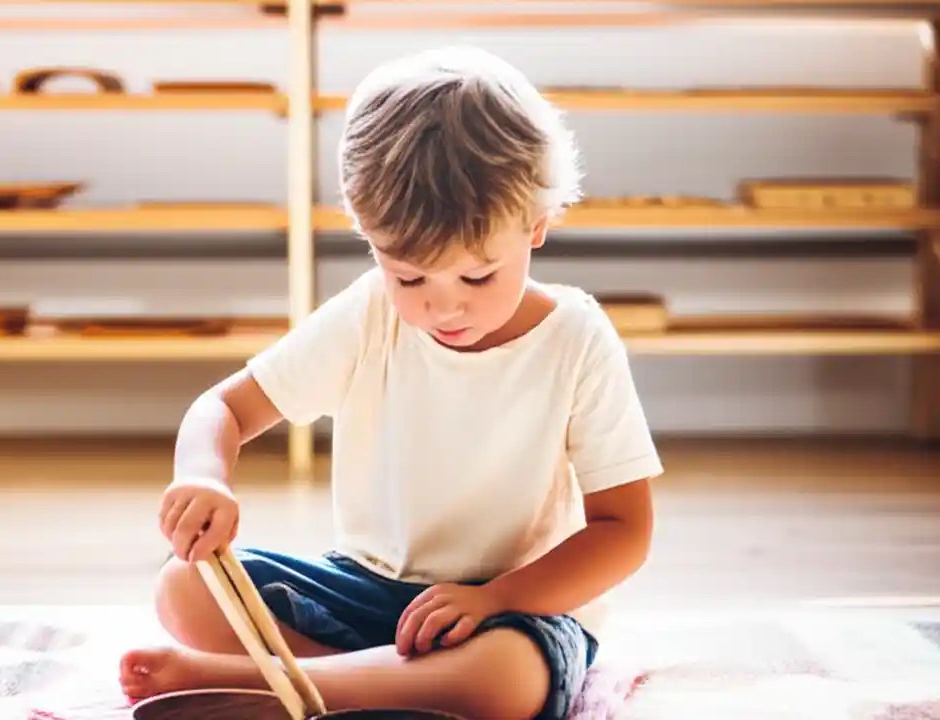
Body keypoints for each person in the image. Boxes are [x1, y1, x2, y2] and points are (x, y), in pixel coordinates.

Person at [119, 45, 662, 720]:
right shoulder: (369, 312)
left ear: (537, 225)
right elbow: (223, 407)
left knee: (506, 679)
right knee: (186, 586)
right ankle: (370, 687)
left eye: (476, 276)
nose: (443, 307)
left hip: (512, 607)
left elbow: (624, 530)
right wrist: (204, 477)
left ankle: (283, 686)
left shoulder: (577, 339)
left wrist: (495, 599)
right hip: (368, 590)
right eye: (409, 277)